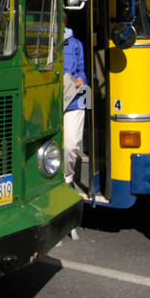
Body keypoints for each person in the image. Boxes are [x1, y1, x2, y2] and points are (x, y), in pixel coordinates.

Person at [62, 26, 88, 182]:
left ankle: (67, 179)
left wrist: (81, 79)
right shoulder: (39, 41)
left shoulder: (76, 44)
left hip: (73, 101)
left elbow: (81, 70)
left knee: (71, 145)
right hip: (48, 102)